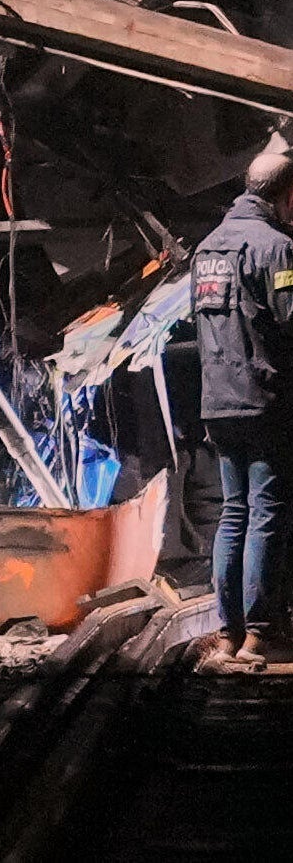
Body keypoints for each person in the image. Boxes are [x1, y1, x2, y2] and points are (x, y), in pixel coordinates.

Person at [194, 152, 293, 666]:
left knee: (233, 514)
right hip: (266, 402)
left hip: (218, 402)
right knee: (267, 515)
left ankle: (228, 634)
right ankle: (259, 634)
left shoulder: (208, 248)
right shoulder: (277, 249)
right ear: (286, 195)